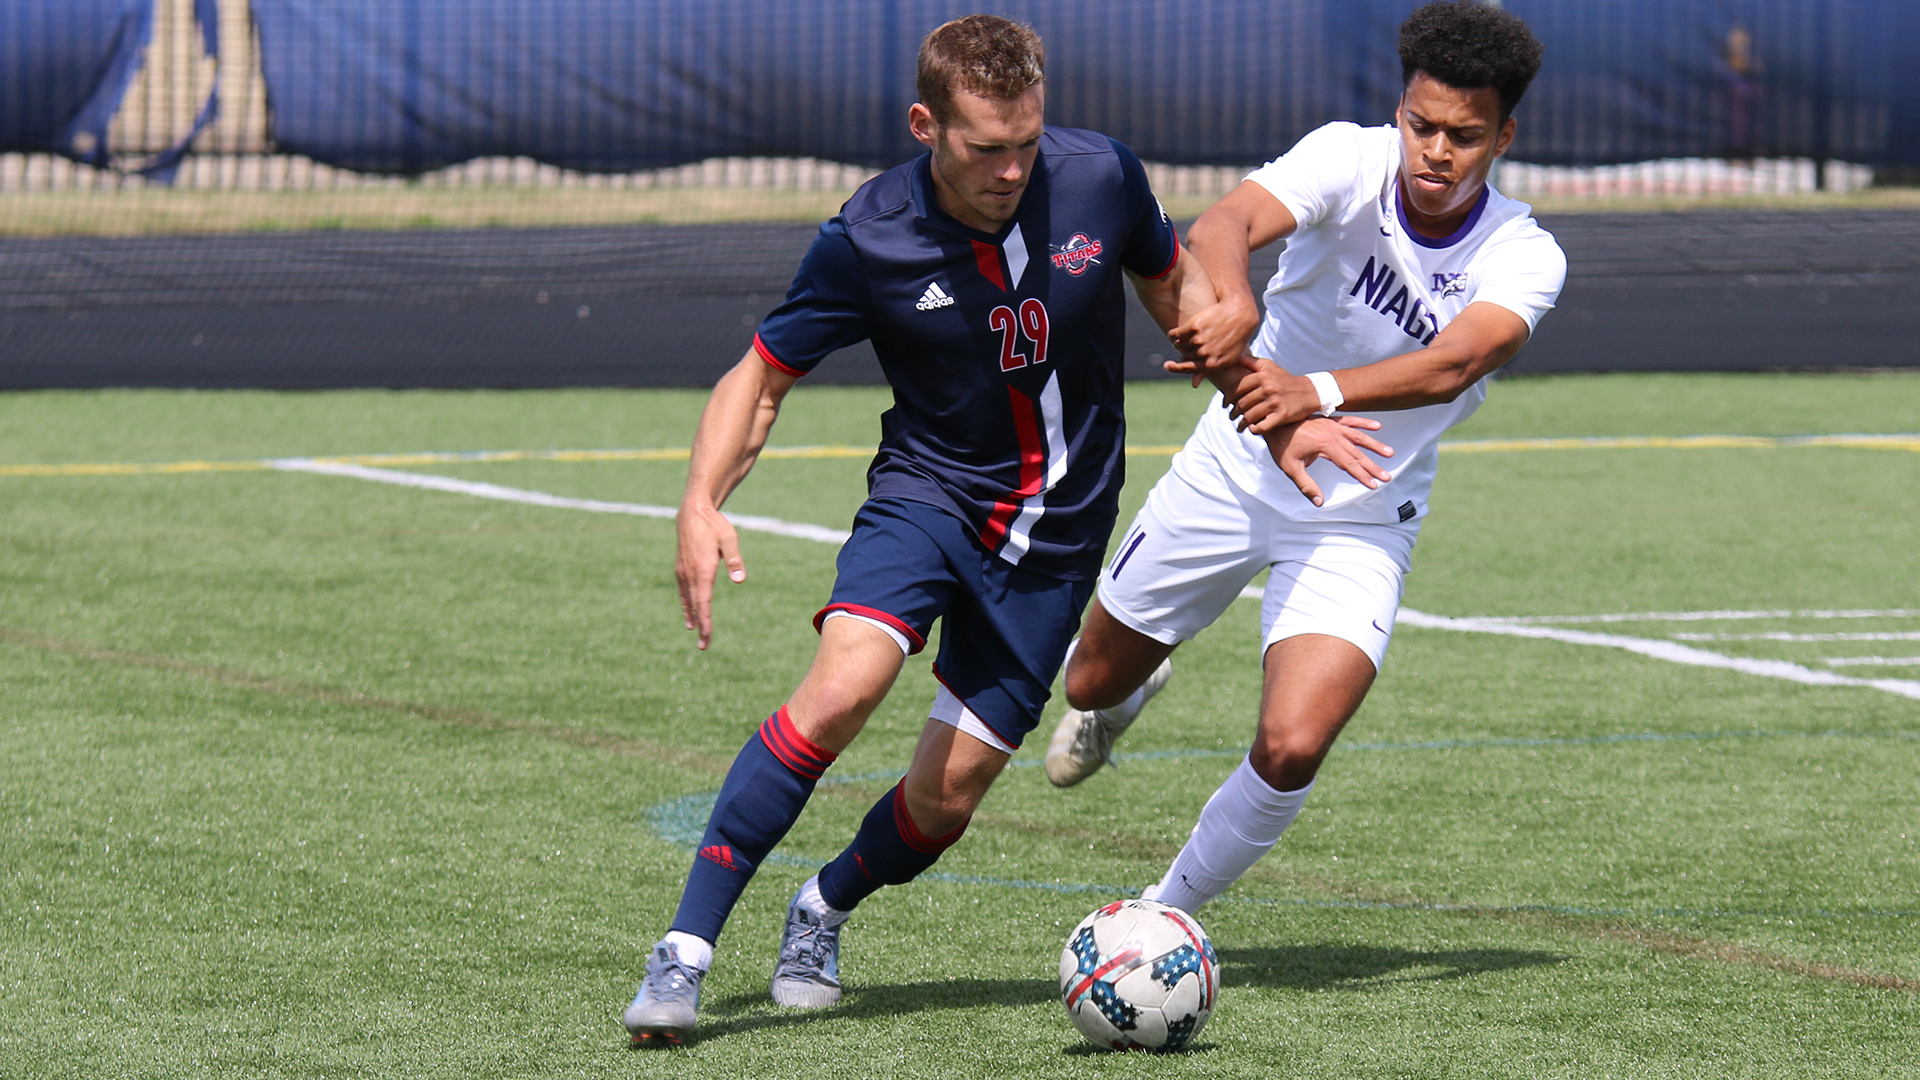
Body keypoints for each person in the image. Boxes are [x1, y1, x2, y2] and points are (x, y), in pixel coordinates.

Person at [622, 14, 1231, 1045]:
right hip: (930, 499)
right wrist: (698, 501)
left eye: (1025, 144)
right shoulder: (870, 234)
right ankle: (683, 954)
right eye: (984, 147)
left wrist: (1238, 359)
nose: (1009, 170)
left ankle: (822, 908)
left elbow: (1181, 292)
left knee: (943, 803)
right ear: (925, 125)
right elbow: (760, 378)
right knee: (844, 687)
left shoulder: (1101, 178)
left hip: (1056, 544)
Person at [1044, 0, 1567, 920]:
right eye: (1421, 124)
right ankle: (1126, 695)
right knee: (1088, 680)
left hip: (1361, 514)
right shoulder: (1347, 156)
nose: (1434, 152)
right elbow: (1221, 228)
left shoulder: (1525, 253)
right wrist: (1237, 306)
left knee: (1291, 745)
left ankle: (1158, 917)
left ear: (1504, 136)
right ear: (1399, 110)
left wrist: (1314, 392)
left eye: (1464, 135)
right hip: (1236, 463)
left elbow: (1457, 363)